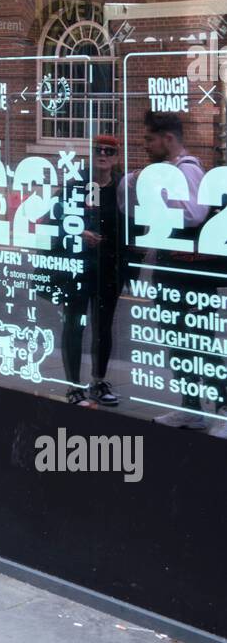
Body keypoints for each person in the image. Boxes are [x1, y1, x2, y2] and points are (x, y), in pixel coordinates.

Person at [119, 110, 212, 429]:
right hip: (168, 269)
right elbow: (131, 209)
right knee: (176, 341)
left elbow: (194, 214)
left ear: (167, 139)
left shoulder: (188, 170)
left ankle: (223, 408)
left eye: (149, 139)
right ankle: (191, 407)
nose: (145, 145)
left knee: (203, 343)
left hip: (192, 274)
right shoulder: (160, 171)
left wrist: (156, 187)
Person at [61, 134, 127, 406]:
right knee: (74, 323)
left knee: (103, 327)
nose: (103, 154)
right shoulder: (76, 185)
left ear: (116, 157)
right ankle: (73, 386)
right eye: (98, 150)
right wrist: (80, 232)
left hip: (109, 267)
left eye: (109, 151)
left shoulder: (122, 188)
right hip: (79, 265)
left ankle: (98, 381)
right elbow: (59, 218)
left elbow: (129, 227)